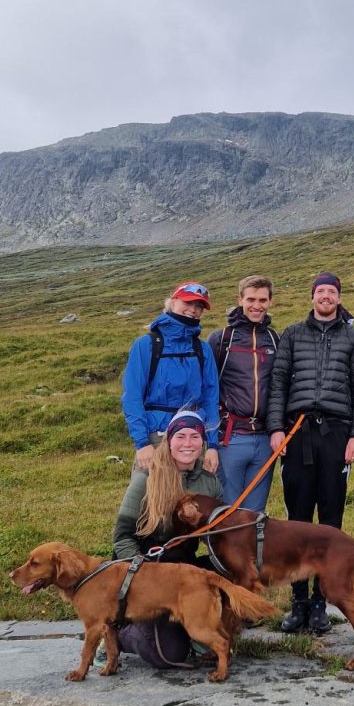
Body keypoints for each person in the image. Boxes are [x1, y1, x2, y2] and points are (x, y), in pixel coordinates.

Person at [266, 272, 354, 634]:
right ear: (312, 298)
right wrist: (276, 428)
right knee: (297, 519)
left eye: (332, 291)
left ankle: (320, 603)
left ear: (339, 298)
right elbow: (278, 381)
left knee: (330, 518)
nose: (326, 296)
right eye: (320, 291)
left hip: (337, 434)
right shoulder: (293, 334)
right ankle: (297, 602)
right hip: (297, 432)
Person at [110, 409, 224, 666]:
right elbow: (121, 536)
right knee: (167, 655)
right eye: (180, 436)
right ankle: (117, 634)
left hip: (183, 567)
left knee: (228, 571)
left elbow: (216, 534)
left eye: (194, 437)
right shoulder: (146, 479)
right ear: (168, 441)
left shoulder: (210, 483)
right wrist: (143, 572)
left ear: (203, 442)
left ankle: (199, 626)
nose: (187, 444)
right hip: (144, 568)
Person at [120, 282, 220, 473]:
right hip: (157, 439)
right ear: (172, 303)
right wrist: (142, 443)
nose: (193, 310)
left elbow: (210, 399)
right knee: (151, 500)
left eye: (199, 306)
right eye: (188, 302)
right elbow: (132, 397)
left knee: (191, 501)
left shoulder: (202, 349)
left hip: (193, 438)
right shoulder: (146, 344)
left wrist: (212, 446)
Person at [208, 275, 280, 511]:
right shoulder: (221, 339)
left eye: (262, 299)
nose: (256, 305)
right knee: (227, 511)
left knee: (255, 514)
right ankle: (219, 550)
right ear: (240, 300)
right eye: (250, 299)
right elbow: (208, 388)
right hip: (231, 437)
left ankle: (251, 550)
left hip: (264, 438)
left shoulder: (275, 339)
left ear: (270, 302)